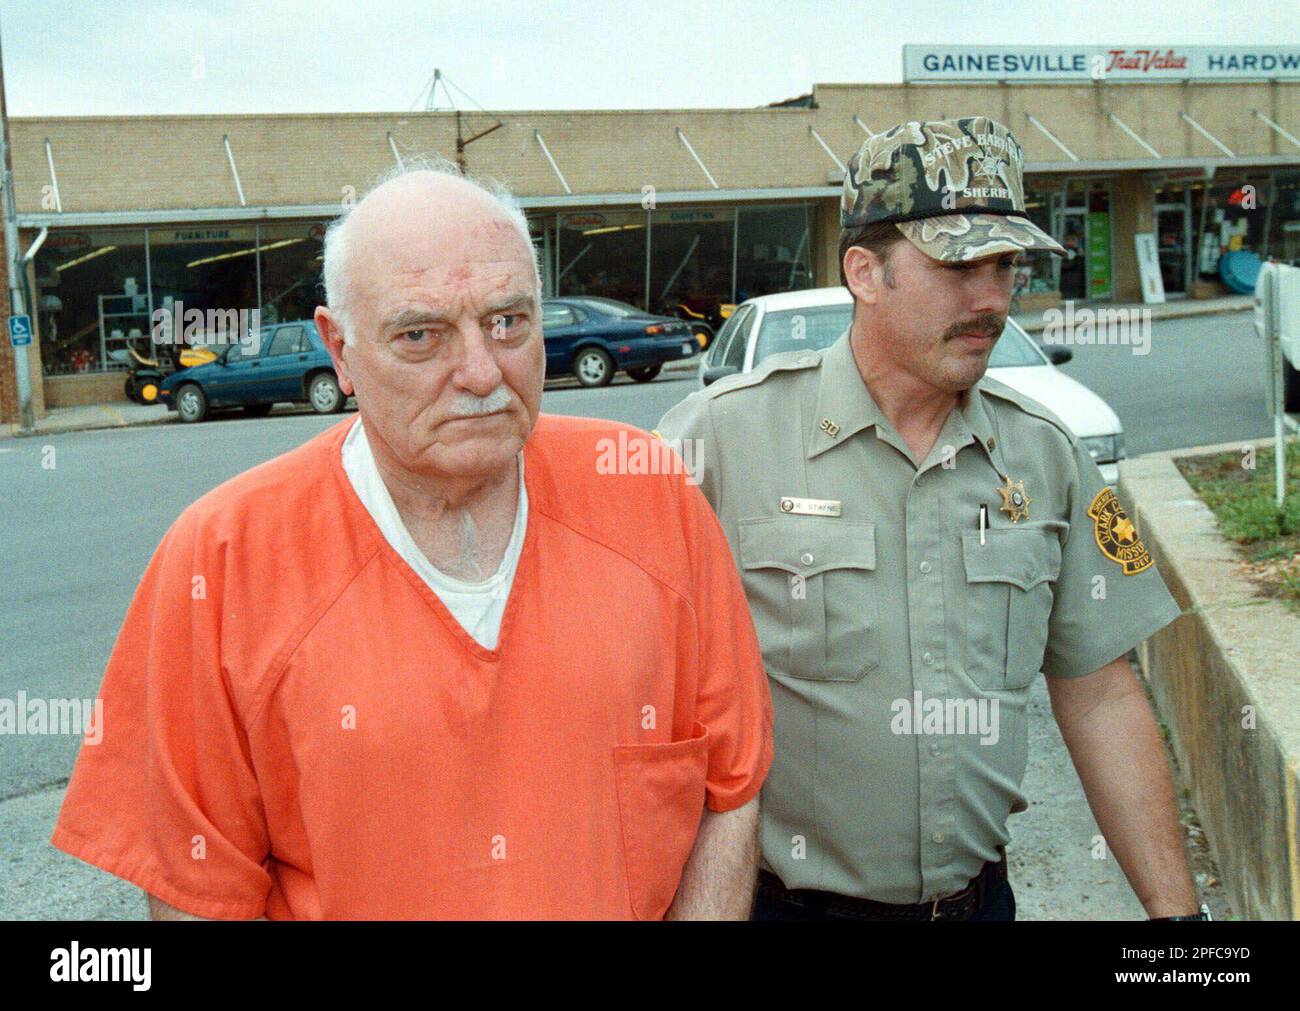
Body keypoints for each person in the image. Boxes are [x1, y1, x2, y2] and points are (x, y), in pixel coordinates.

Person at [52, 159, 772, 920]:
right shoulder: (222, 558)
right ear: (340, 350)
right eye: (421, 334)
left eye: (508, 322)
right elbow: (197, 891)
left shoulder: (649, 491)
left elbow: (730, 790)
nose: (480, 371)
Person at [657, 118, 1207, 921]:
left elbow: (1099, 694)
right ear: (865, 272)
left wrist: (1182, 924)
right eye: (958, 266)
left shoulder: (1044, 456)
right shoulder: (721, 441)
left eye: (1006, 266)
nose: (991, 298)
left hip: (977, 905)